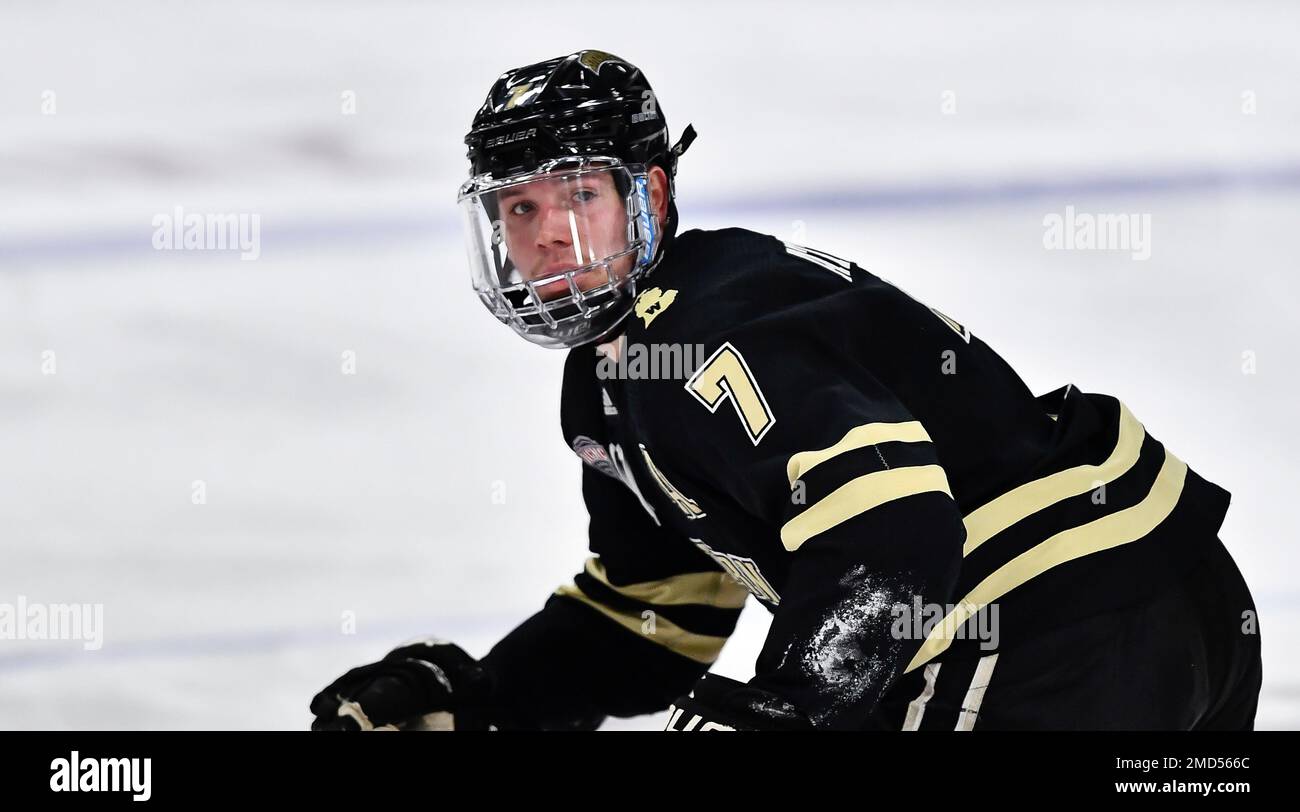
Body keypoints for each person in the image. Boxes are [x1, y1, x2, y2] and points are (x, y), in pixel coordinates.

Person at [310, 50, 1262, 731]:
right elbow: (656, 614)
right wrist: (484, 696)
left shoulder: (700, 331)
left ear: (649, 193)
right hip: (1172, 603)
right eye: (521, 207)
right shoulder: (616, 380)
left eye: (579, 196)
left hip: (1052, 627)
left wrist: (806, 701)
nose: (550, 232)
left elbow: (893, 522)